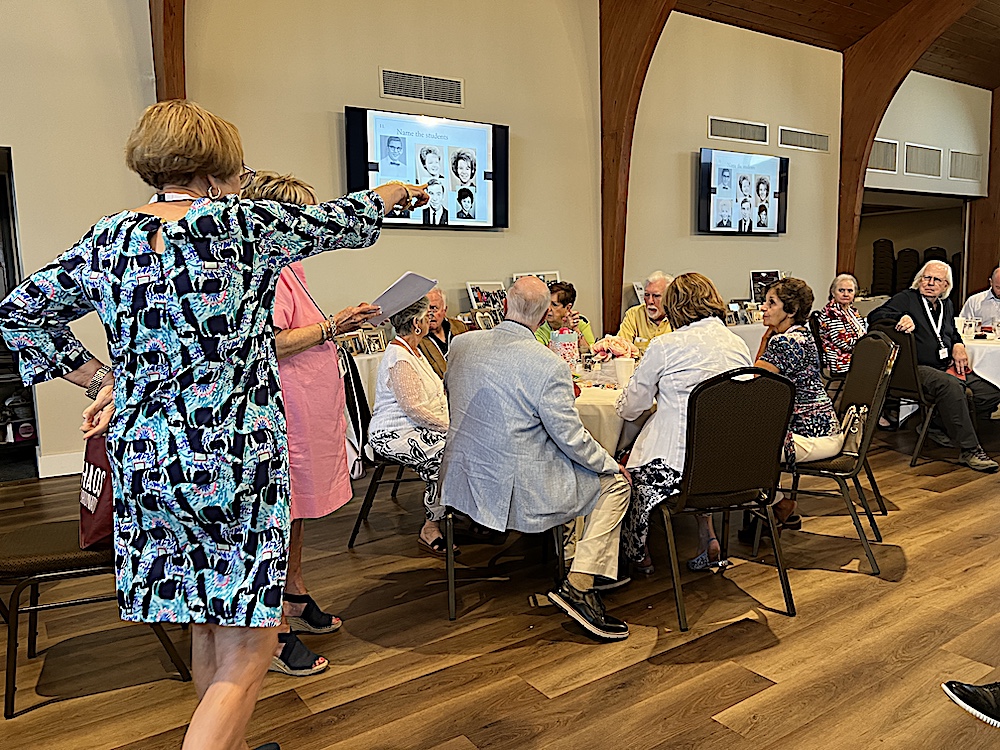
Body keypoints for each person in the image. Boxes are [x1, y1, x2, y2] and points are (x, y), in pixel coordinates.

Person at [0, 100, 427, 750]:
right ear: (216, 170)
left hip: (150, 464)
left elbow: (19, 312)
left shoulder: (109, 237)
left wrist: (103, 379)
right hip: (236, 459)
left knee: (202, 623)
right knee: (252, 644)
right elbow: (345, 216)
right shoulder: (242, 226)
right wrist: (399, 190)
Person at [242, 171, 383, 678]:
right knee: (280, 514)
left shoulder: (291, 265)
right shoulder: (261, 270)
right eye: (299, 216)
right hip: (283, 409)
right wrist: (331, 327)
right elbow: (266, 342)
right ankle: (273, 628)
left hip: (308, 407)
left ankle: (294, 592)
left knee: (297, 509)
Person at [441, 276, 633, 641]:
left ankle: (577, 559)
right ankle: (579, 583)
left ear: (502, 306)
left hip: (465, 474)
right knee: (615, 483)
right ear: (546, 316)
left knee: (575, 463)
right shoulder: (547, 365)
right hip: (518, 490)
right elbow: (572, 438)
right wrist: (610, 462)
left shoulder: (462, 344)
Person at [616, 273, 753, 575]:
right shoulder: (737, 343)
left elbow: (630, 408)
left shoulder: (666, 345)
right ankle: (708, 537)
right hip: (732, 466)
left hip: (676, 471)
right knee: (698, 444)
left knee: (620, 464)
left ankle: (638, 556)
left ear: (674, 307)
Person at [869, 261, 1000, 472]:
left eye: (936, 280)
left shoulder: (945, 305)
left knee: (990, 391)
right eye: (926, 278)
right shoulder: (907, 299)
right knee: (951, 386)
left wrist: (957, 344)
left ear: (946, 285)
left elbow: (951, 331)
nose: (929, 283)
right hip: (914, 369)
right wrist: (899, 316)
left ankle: (935, 424)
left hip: (944, 365)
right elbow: (875, 317)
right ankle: (970, 450)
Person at [369, 296, 453, 555]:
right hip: (392, 433)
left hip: (414, 427)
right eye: (427, 314)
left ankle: (462, 512)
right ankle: (431, 525)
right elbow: (414, 410)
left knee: (462, 448)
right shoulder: (400, 356)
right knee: (447, 455)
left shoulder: (414, 349)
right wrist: (451, 429)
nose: (431, 317)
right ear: (417, 323)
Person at [755, 278, 844, 523]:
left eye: (771, 303)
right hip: (824, 429)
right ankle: (774, 508)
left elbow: (753, 381)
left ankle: (779, 504)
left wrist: (765, 339)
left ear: (791, 311)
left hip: (811, 437)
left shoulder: (784, 342)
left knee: (740, 449)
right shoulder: (803, 335)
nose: (763, 308)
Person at [817, 273, 867, 376]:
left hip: (855, 353)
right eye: (841, 290)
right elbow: (844, 343)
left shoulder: (852, 310)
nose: (845, 294)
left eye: (850, 291)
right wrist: (865, 343)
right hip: (840, 359)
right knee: (879, 361)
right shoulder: (832, 312)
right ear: (833, 292)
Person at [617, 271, 673, 354]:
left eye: (656, 296)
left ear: (669, 297)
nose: (650, 301)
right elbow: (620, 348)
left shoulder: (679, 318)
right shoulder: (634, 314)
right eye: (647, 295)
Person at [418, 286, 468, 378]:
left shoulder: (460, 327)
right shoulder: (417, 338)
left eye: (434, 308)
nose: (430, 314)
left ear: (444, 310)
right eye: (425, 309)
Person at [534, 281, 596, 355]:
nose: (548, 308)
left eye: (554, 304)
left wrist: (575, 330)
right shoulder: (538, 325)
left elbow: (590, 354)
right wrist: (562, 333)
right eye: (547, 303)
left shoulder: (580, 322)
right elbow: (542, 357)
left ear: (568, 307)